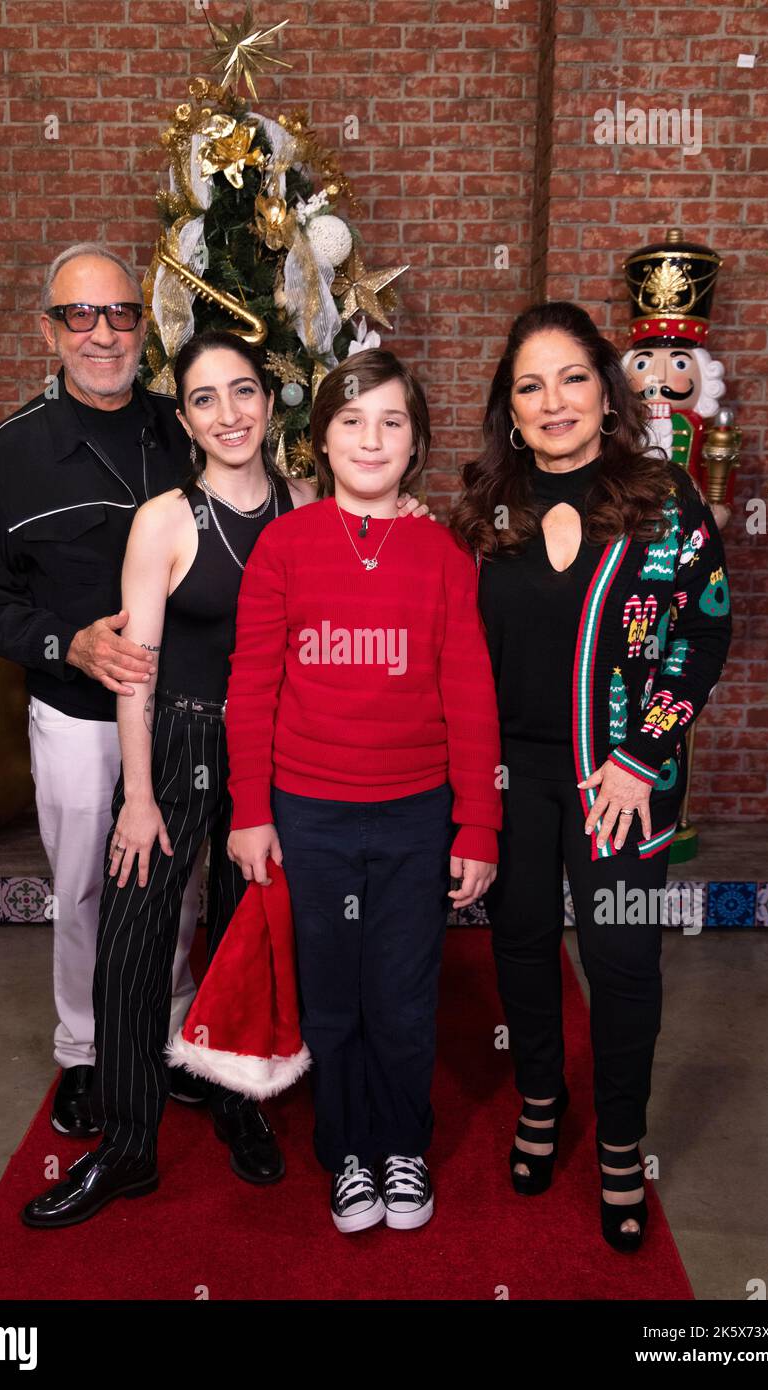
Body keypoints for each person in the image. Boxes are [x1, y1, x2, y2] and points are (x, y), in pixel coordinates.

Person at [20, 332, 432, 1228]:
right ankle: (126, 1147)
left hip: (274, 753)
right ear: (186, 417)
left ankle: (246, 1104)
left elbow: (386, 567)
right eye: (205, 400)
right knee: (133, 945)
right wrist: (136, 794)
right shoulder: (165, 518)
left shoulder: (310, 501)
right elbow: (136, 667)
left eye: (244, 392)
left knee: (258, 937)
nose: (230, 414)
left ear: (273, 400)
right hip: (173, 743)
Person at [451, 301, 732, 1252]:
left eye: (572, 377)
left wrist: (641, 756)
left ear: (605, 394)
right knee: (521, 943)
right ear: (511, 407)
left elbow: (703, 628)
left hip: (622, 776)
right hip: (509, 780)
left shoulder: (662, 499)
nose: (553, 400)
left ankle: (620, 1140)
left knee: (619, 961)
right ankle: (539, 1100)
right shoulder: (482, 508)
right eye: (530, 385)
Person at [225, 348, 502, 1234]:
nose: (371, 438)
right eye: (351, 420)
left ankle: (402, 1147)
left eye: (391, 421)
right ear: (321, 439)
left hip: (419, 815)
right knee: (332, 995)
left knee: (405, 992)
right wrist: (250, 810)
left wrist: (480, 825)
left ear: (416, 440)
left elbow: (470, 693)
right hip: (310, 815)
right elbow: (252, 685)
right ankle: (347, 1152)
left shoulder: (444, 554)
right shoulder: (286, 544)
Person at [0, 243, 204, 1140]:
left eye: (121, 315)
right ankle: (85, 1053)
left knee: (176, 885)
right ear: (48, 330)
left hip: (183, 717)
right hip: (78, 716)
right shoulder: (8, 455)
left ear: (145, 325)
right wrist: (68, 641)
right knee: (90, 892)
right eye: (79, 316)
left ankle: (171, 1037)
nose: (103, 335)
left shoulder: (188, 431)